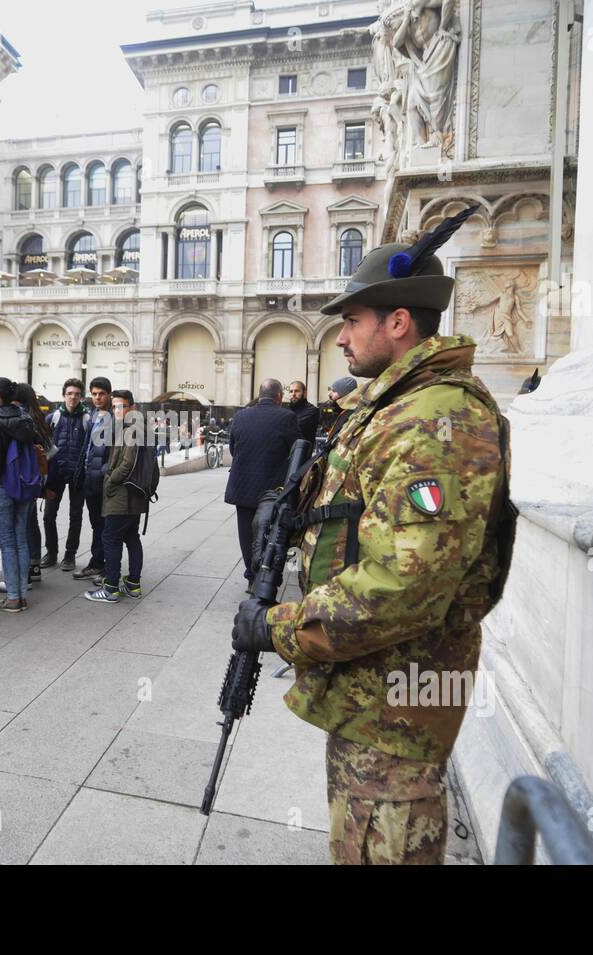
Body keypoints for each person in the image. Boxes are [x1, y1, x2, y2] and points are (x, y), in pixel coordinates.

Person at [229, 225, 513, 865]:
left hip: (398, 708)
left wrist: (277, 627)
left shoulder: (436, 420)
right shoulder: (394, 407)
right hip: (373, 696)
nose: (343, 335)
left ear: (400, 321)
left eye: (353, 320)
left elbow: (402, 586)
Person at [0, 376, 42, 612]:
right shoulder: (24, 417)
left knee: (8, 541)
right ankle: (21, 594)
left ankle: (13, 598)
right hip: (24, 485)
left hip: (1, 485)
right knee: (21, 539)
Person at [224, 378, 299, 592]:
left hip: (243, 485)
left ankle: (251, 576)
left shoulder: (240, 416)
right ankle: (265, 575)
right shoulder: (287, 417)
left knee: (246, 534)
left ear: (259, 395)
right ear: (279, 397)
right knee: (269, 532)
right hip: (272, 488)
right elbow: (297, 450)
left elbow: (233, 448)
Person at [85, 390, 147, 603]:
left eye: (121, 406)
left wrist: (109, 480)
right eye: (114, 407)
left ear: (132, 408)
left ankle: (111, 587)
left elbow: (127, 464)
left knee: (111, 538)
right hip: (135, 495)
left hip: (122, 494)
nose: (116, 411)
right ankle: (133, 584)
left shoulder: (132, 430)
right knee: (131, 537)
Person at [39, 378, 88, 573]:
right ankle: (51, 553)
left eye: (77, 394)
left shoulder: (88, 418)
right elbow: (43, 446)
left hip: (78, 474)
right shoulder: (52, 418)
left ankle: (70, 555)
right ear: (63, 395)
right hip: (55, 474)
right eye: (70, 393)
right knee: (49, 515)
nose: (73, 397)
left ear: (81, 396)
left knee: (75, 515)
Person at [72, 376, 112, 580]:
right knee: (96, 524)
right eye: (94, 394)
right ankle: (97, 563)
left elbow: (114, 453)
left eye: (101, 394)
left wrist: (103, 473)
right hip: (91, 480)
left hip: (104, 482)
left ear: (109, 395)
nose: (97, 398)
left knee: (106, 526)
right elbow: (87, 448)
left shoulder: (114, 418)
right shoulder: (94, 415)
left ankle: (104, 565)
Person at [13, 383, 52, 591]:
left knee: (24, 523)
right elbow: (51, 448)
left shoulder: (23, 418)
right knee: (31, 522)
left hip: (27, 476)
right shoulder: (38, 416)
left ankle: (27, 571)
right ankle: (35, 566)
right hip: (38, 475)